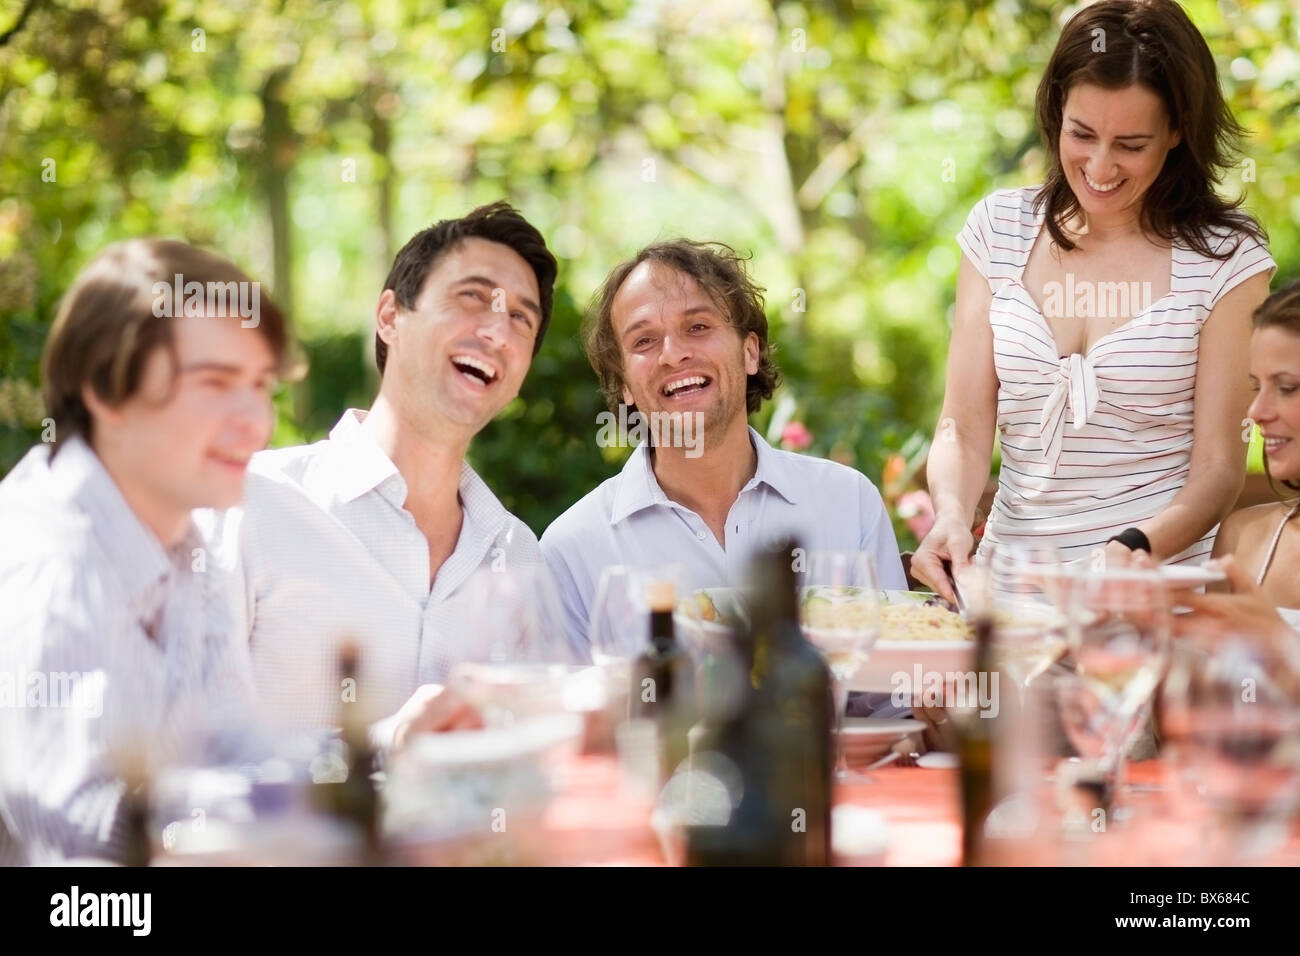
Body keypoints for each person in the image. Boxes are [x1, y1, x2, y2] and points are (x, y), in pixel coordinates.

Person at [911, 0, 1275, 604]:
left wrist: (1128, 551)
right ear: (1056, 112)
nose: (1099, 166)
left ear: (1178, 132)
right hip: (1003, 601)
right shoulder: (999, 229)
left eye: (1131, 144)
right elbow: (964, 427)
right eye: (1081, 134)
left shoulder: (1227, 260)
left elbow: (1218, 470)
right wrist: (950, 514)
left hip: (1147, 600)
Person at [202, 202, 577, 750]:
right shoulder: (249, 503)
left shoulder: (517, 554)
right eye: (471, 297)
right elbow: (185, 746)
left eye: (521, 318)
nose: (497, 330)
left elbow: (539, 753)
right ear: (390, 317)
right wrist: (379, 746)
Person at [0, 239, 295, 863]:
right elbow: (80, 826)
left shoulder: (186, 545)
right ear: (105, 390)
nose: (256, 423)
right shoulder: (46, 562)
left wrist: (383, 761)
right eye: (216, 384)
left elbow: (240, 748)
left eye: (261, 386)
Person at [540, 239, 906, 664]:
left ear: (749, 352)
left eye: (697, 327)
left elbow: (893, 696)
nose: (673, 354)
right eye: (644, 341)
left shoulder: (849, 502)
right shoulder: (572, 548)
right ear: (624, 385)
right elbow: (571, 717)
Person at [1179, 280, 1300, 644]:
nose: (1256, 411)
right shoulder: (1243, 541)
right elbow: (1210, 696)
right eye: (1256, 386)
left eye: (1287, 387)